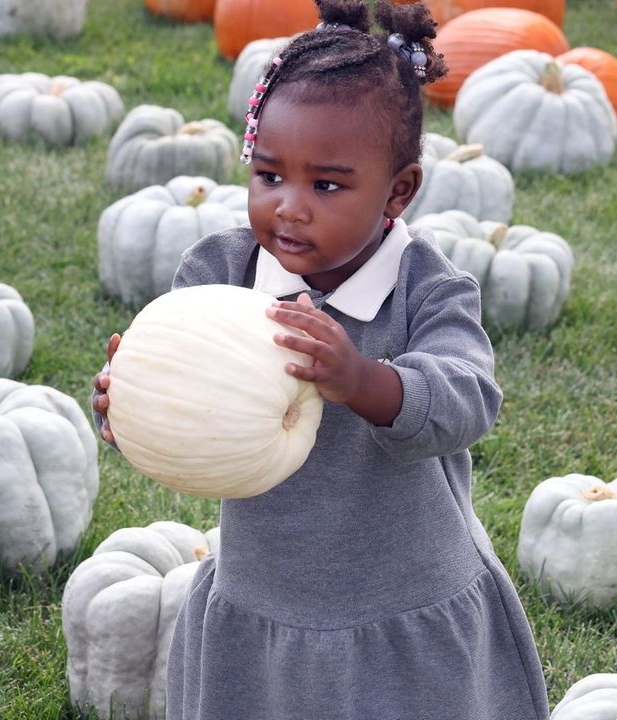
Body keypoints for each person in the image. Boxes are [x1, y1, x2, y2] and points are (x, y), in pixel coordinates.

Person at [92, 1, 549, 717]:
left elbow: (467, 400)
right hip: (263, 595)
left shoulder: (425, 287)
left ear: (398, 191)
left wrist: (363, 380)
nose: (289, 208)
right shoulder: (219, 271)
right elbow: (184, 399)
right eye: (269, 176)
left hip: (403, 601)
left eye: (326, 185)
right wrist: (131, 404)